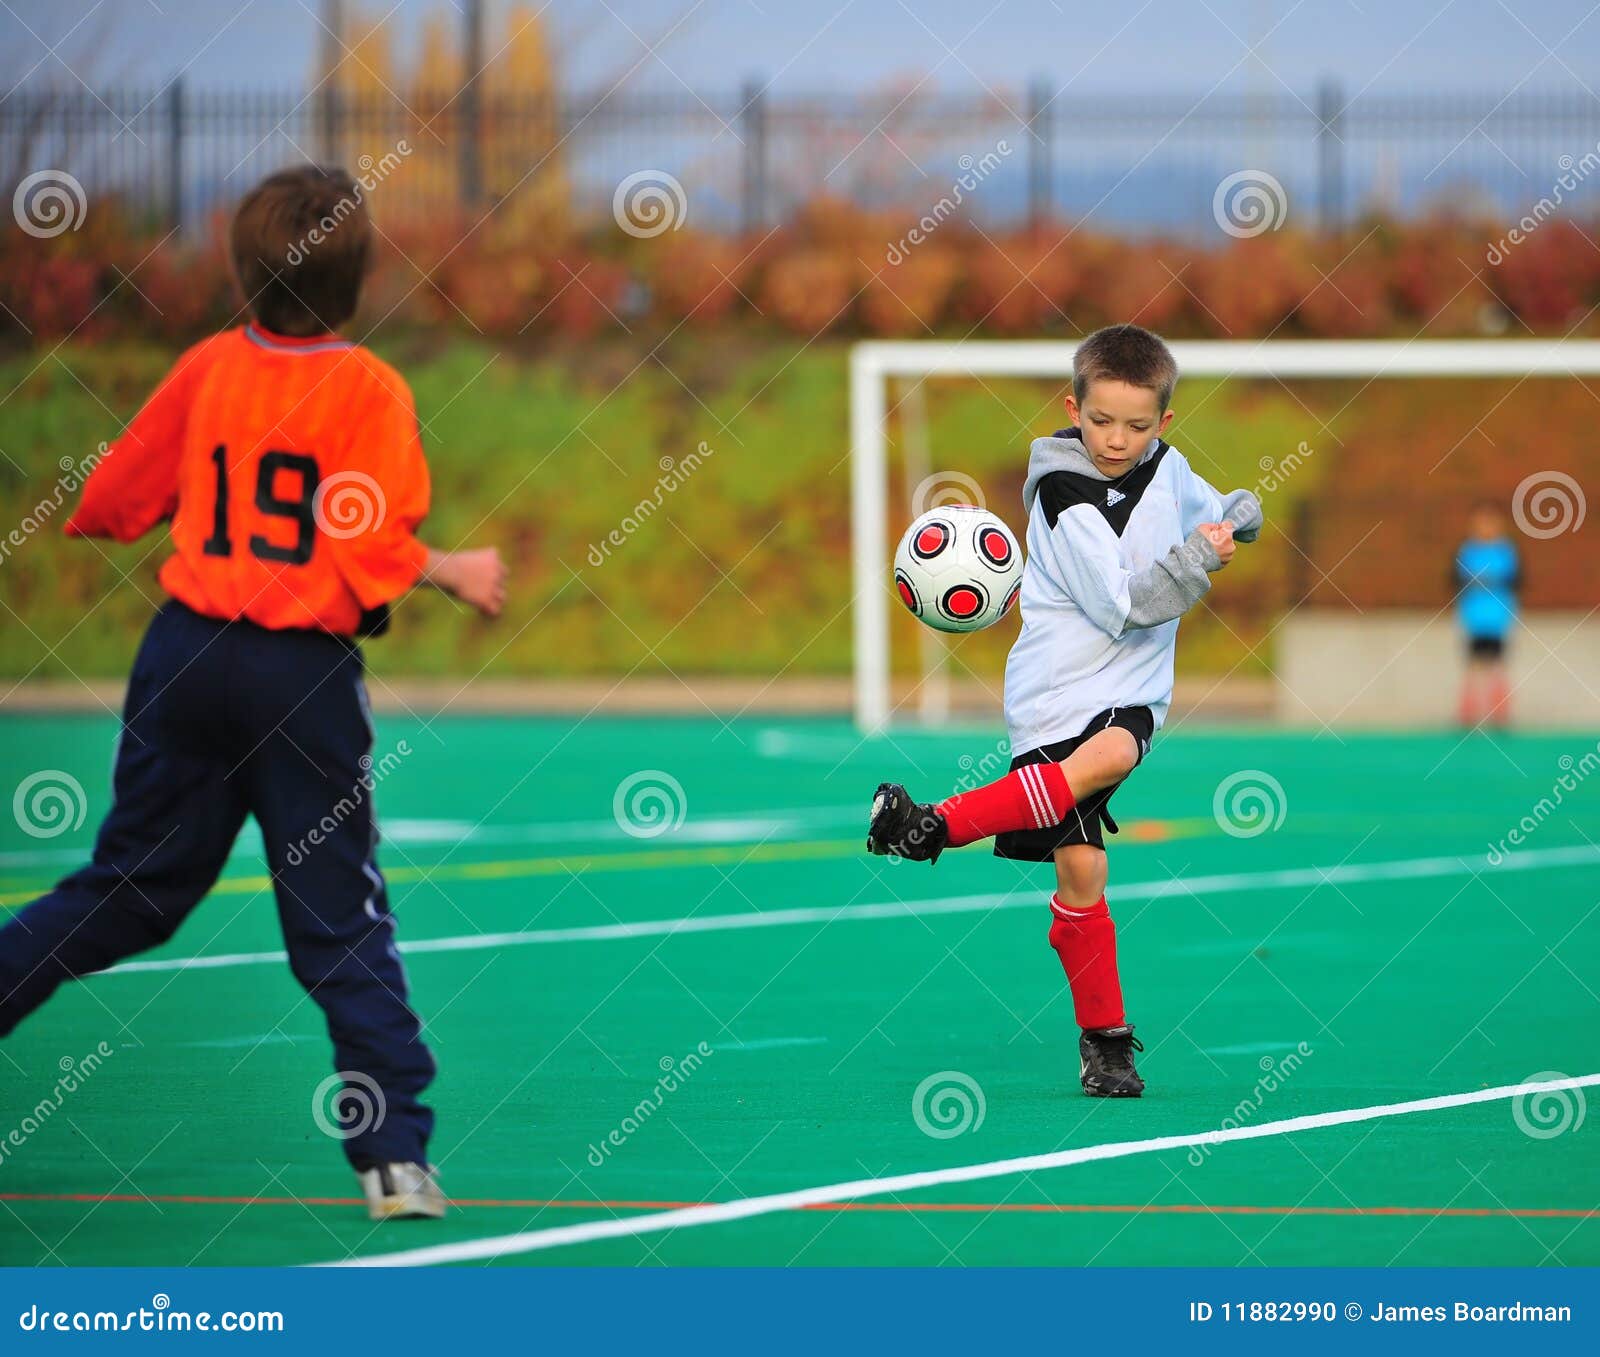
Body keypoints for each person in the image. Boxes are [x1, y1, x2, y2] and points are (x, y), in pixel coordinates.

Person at [0, 165, 508, 1221]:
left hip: (183, 653)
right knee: (337, 919)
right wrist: (450, 567)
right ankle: (394, 1158)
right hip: (297, 675)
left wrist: (108, 514)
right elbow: (367, 541)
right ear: (358, 278)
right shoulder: (369, 390)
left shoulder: (205, 370)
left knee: (130, 892)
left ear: (241, 274)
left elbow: (114, 497)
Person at [865, 324, 1262, 1097]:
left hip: (1134, 695)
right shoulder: (1062, 496)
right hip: (1056, 696)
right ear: (1071, 408)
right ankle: (1102, 1037)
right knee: (1084, 857)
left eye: (1137, 425)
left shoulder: (1168, 466)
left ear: (1164, 424)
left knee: (1098, 816)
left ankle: (929, 830)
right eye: (1101, 420)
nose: (1117, 439)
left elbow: (1214, 508)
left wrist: (1239, 514)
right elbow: (1127, 608)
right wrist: (1201, 556)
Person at [1454, 501, 1520, 727]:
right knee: (1473, 664)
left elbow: (1515, 579)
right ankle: (1469, 711)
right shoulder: (1468, 551)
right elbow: (1457, 579)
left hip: (1498, 618)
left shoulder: (1506, 551)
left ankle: (1499, 711)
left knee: (1498, 664)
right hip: (1474, 618)